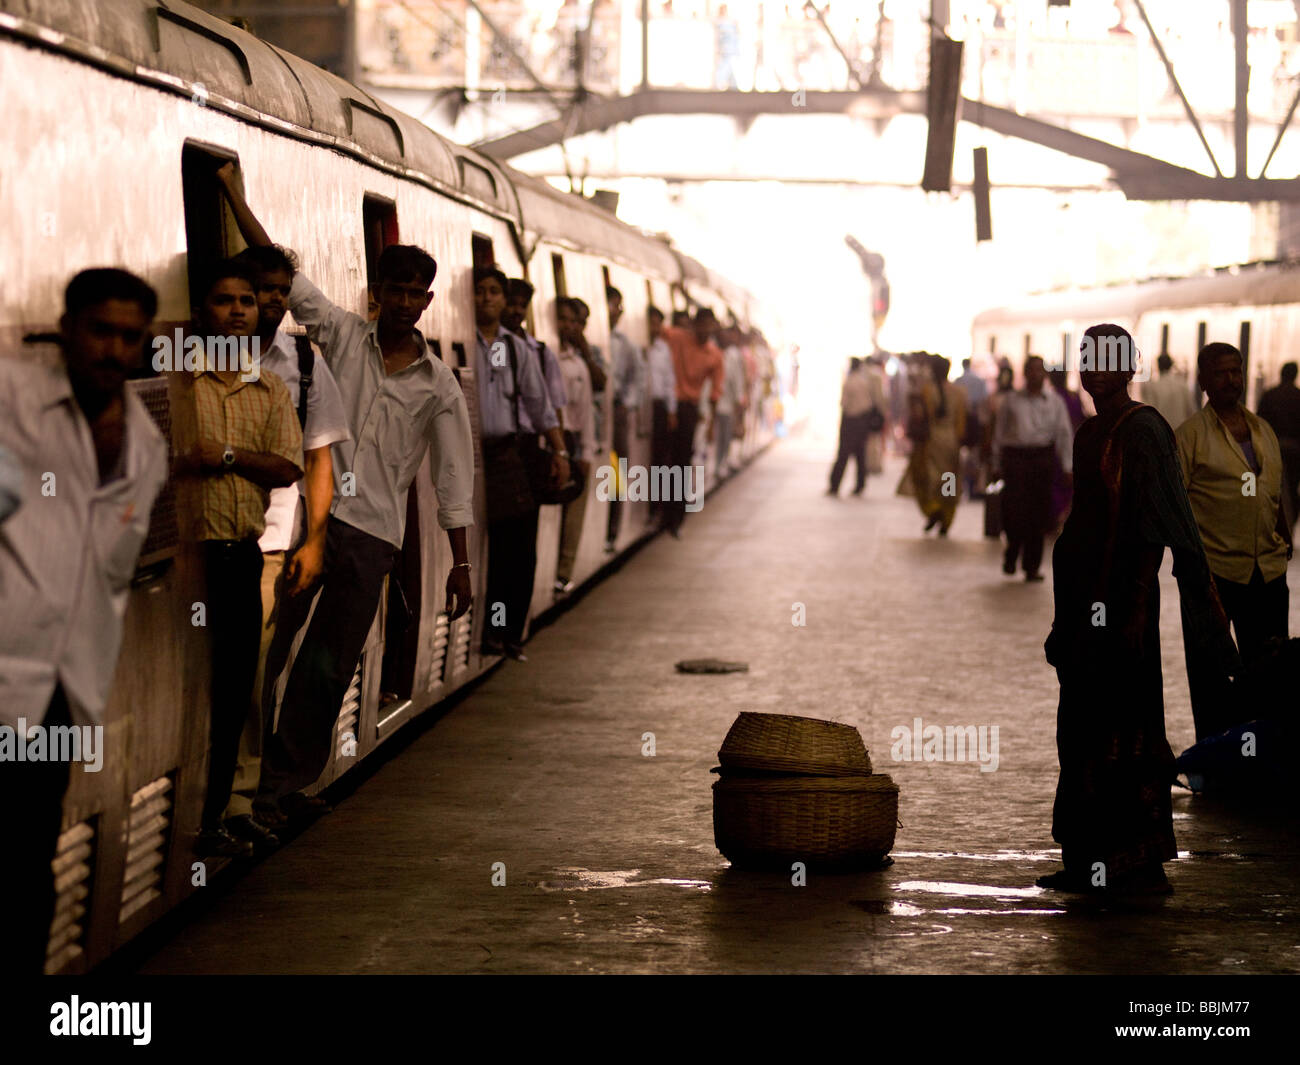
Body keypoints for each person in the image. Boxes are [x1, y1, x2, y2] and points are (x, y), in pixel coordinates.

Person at [216, 164, 474, 821]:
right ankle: (237, 786)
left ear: (428, 300)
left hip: (376, 535)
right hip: (313, 520)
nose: (408, 301)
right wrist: (232, 195)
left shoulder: (438, 384)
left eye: (419, 293)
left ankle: (281, 786)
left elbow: (451, 474)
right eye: (398, 289)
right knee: (269, 652)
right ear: (377, 292)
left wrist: (461, 561)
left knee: (328, 667)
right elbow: (279, 273)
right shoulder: (338, 334)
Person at [0, 269, 168, 974]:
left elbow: (107, 577)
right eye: (101, 330)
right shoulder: (12, 401)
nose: (113, 349)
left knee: (23, 863)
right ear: (67, 327)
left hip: (59, 696)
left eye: (129, 337)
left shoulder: (144, 449)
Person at [1039, 324, 1237, 896]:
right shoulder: (1089, 431)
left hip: (1121, 606)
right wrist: (1065, 615)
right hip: (1082, 607)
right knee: (1079, 728)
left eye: (1105, 360)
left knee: (1125, 725)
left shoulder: (1144, 430)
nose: (1092, 369)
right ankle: (1086, 858)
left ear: (1128, 368)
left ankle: (1138, 863)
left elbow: (1162, 526)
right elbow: (1082, 521)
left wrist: (1135, 609)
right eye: (1086, 358)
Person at [223, 245, 351, 850]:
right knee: (228, 676)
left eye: (279, 290)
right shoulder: (201, 355)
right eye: (258, 290)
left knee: (254, 674)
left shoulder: (301, 360)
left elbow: (318, 457)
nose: (270, 301)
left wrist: (315, 540)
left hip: (274, 539)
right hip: (213, 536)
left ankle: (240, 798)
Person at [182, 259, 304, 856]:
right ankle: (201, 812)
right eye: (224, 301)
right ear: (202, 313)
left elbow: (287, 466)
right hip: (188, 559)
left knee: (235, 689)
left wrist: (223, 456)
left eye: (246, 302)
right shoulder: (182, 382)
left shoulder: (272, 388)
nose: (237, 311)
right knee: (192, 683)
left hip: (239, 556)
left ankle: (217, 817)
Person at [1176, 342, 1291, 738]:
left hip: (1267, 572)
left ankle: (1261, 754)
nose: (1232, 380)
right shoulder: (1189, 437)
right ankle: (1217, 757)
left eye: (1237, 371)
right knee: (1211, 675)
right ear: (1204, 380)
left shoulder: (1263, 430)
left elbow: (1274, 490)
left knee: (1271, 668)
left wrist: (1284, 532)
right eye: (1222, 373)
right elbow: (1176, 507)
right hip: (1215, 575)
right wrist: (1190, 569)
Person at [475, 266, 568, 658]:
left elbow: (540, 405)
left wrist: (560, 452)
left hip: (513, 455)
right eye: (480, 291)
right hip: (477, 455)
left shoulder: (515, 349)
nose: (488, 299)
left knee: (518, 552)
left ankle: (508, 630)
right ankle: (494, 630)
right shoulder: (467, 345)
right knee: (495, 555)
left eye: (494, 291)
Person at [993, 355, 1073, 581]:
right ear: (1025, 373)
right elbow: (999, 433)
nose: (1036, 374)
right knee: (1013, 511)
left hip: (1041, 460)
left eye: (1040, 370)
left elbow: (1064, 435)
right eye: (1031, 370)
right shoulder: (1011, 401)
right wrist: (996, 462)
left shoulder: (1055, 402)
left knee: (1038, 513)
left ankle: (1031, 565)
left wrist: (1068, 467)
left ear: (1045, 374)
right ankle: (1012, 551)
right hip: (1016, 460)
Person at [662, 308, 725, 535]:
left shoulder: (715, 355)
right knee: (664, 460)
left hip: (688, 409)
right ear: (694, 325)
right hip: (668, 403)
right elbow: (655, 331)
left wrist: (710, 426)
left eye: (710, 325)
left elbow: (716, 392)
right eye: (702, 324)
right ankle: (662, 511)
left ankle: (676, 517)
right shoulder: (678, 337)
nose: (706, 330)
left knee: (682, 461)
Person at [555, 298, 599, 594]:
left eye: (576, 322)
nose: (569, 326)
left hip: (571, 439)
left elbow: (586, 409)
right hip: (555, 436)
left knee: (574, 508)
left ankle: (563, 571)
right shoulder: (547, 354)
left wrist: (586, 448)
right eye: (565, 319)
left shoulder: (580, 361)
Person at [899, 354, 967, 535]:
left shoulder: (926, 391)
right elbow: (961, 423)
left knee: (927, 478)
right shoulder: (959, 392)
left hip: (931, 441)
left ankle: (933, 509)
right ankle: (946, 515)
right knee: (948, 480)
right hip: (951, 442)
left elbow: (919, 415)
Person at [606, 285, 644, 551]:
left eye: (619, 307)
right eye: (612, 305)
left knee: (616, 471)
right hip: (596, 411)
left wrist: (627, 403)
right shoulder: (596, 339)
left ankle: (612, 531)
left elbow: (637, 378)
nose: (616, 312)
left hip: (617, 411)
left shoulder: (624, 343)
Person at [504, 278, 568, 430]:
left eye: (523, 306)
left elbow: (555, 403)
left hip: (533, 436)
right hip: (507, 437)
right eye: (512, 304)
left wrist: (559, 447)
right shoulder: (498, 346)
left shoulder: (540, 352)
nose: (517, 311)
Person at [828, 357, 883, 497]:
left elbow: (844, 404)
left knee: (843, 455)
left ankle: (835, 485)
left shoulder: (849, 382)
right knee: (860, 454)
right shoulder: (865, 382)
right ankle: (860, 485)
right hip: (863, 421)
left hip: (851, 421)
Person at [1256, 361, 1300, 529]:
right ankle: (1290, 524)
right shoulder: (1298, 396)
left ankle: (1273, 523)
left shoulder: (1269, 395)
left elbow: (1259, 422)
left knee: (1272, 487)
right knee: (1293, 487)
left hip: (1273, 448)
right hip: (1295, 451)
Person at [645, 306, 677, 521]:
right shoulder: (638, 347)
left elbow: (669, 381)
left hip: (658, 408)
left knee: (658, 459)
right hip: (641, 407)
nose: (653, 328)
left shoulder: (662, 350)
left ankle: (656, 508)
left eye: (658, 323)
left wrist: (671, 411)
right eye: (651, 322)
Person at [1048, 368, 1086, 529]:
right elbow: (1080, 419)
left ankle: (1055, 516)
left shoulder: (1051, 398)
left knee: (1055, 482)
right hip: (1072, 443)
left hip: (1054, 446)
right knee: (1066, 482)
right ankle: (1062, 515)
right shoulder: (1072, 396)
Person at [713, 324, 748, 477]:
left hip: (726, 402)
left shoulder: (733, 354)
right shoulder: (716, 351)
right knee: (717, 437)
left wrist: (738, 399)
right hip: (716, 401)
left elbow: (737, 379)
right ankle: (716, 465)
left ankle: (721, 464)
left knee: (724, 436)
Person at [1142, 352, 1198, 431]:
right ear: (1171, 365)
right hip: (1181, 431)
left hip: (1162, 432)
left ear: (1158, 366)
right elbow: (1191, 411)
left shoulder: (1153, 387)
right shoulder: (1182, 384)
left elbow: (1150, 414)